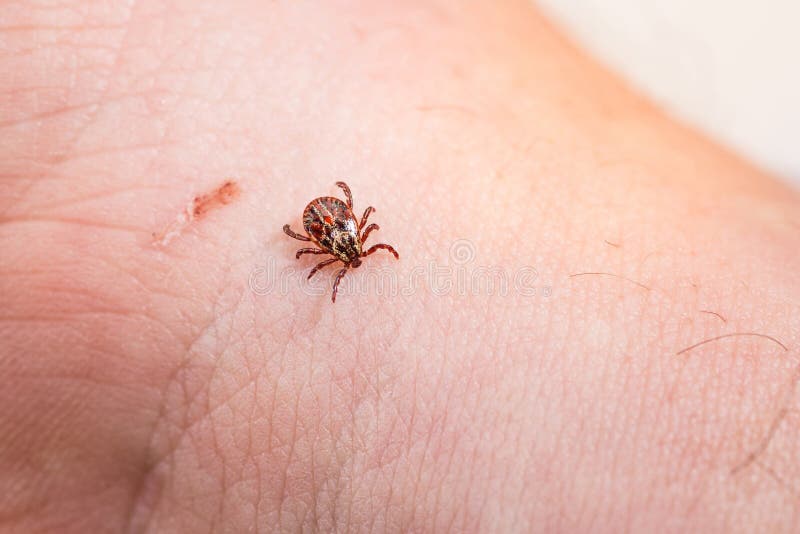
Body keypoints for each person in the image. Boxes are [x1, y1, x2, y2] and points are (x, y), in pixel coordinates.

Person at [2, 1, 798, 531]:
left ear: (344, 235)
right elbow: (326, 217)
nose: (346, 249)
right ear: (346, 239)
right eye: (345, 247)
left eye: (346, 243)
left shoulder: (331, 238)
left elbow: (318, 224)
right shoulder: (338, 232)